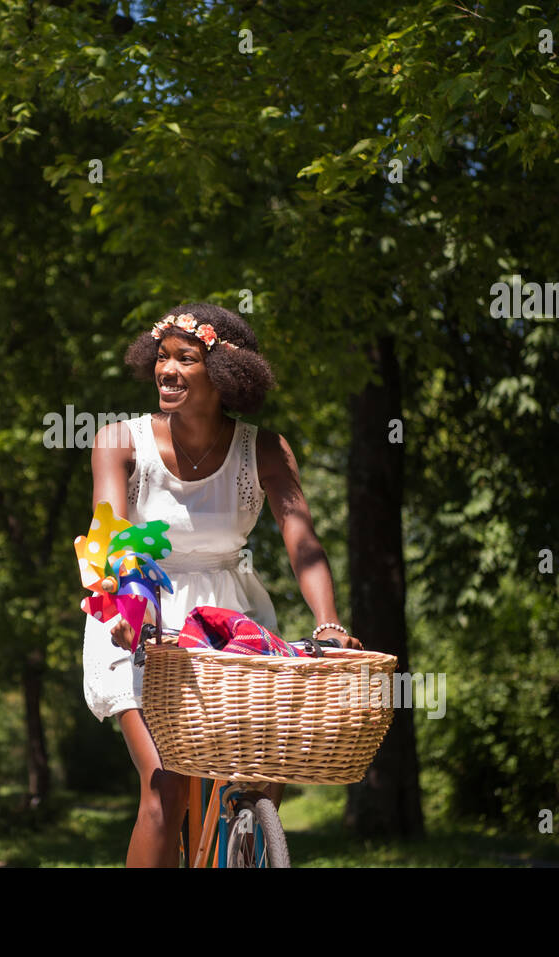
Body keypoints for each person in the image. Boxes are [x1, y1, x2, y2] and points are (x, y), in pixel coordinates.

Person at [82, 303, 362, 867]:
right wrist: (117, 601)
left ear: (224, 374)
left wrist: (329, 624)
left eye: (186, 359)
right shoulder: (120, 441)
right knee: (165, 787)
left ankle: (246, 840)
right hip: (139, 614)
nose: (168, 369)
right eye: (162, 357)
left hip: (230, 619)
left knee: (265, 772)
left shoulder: (263, 449)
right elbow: (108, 530)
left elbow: (301, 541)